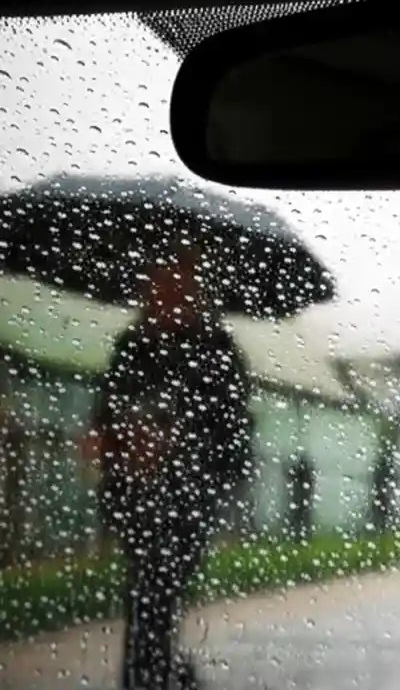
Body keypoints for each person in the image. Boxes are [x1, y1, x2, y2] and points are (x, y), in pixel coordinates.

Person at [82, 244, 254, 689]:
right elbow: (107, 410)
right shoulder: (133, 345)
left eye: (178, 284)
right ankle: (159, 674)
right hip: (132, 493)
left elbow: (233, 434)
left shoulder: (218, 351)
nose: (165, 294)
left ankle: (155, 675)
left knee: (157, 591)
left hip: (188, 499)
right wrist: (110, 439)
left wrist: (178, 442)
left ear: (195, 290)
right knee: (147, 593)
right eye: (158, 284)